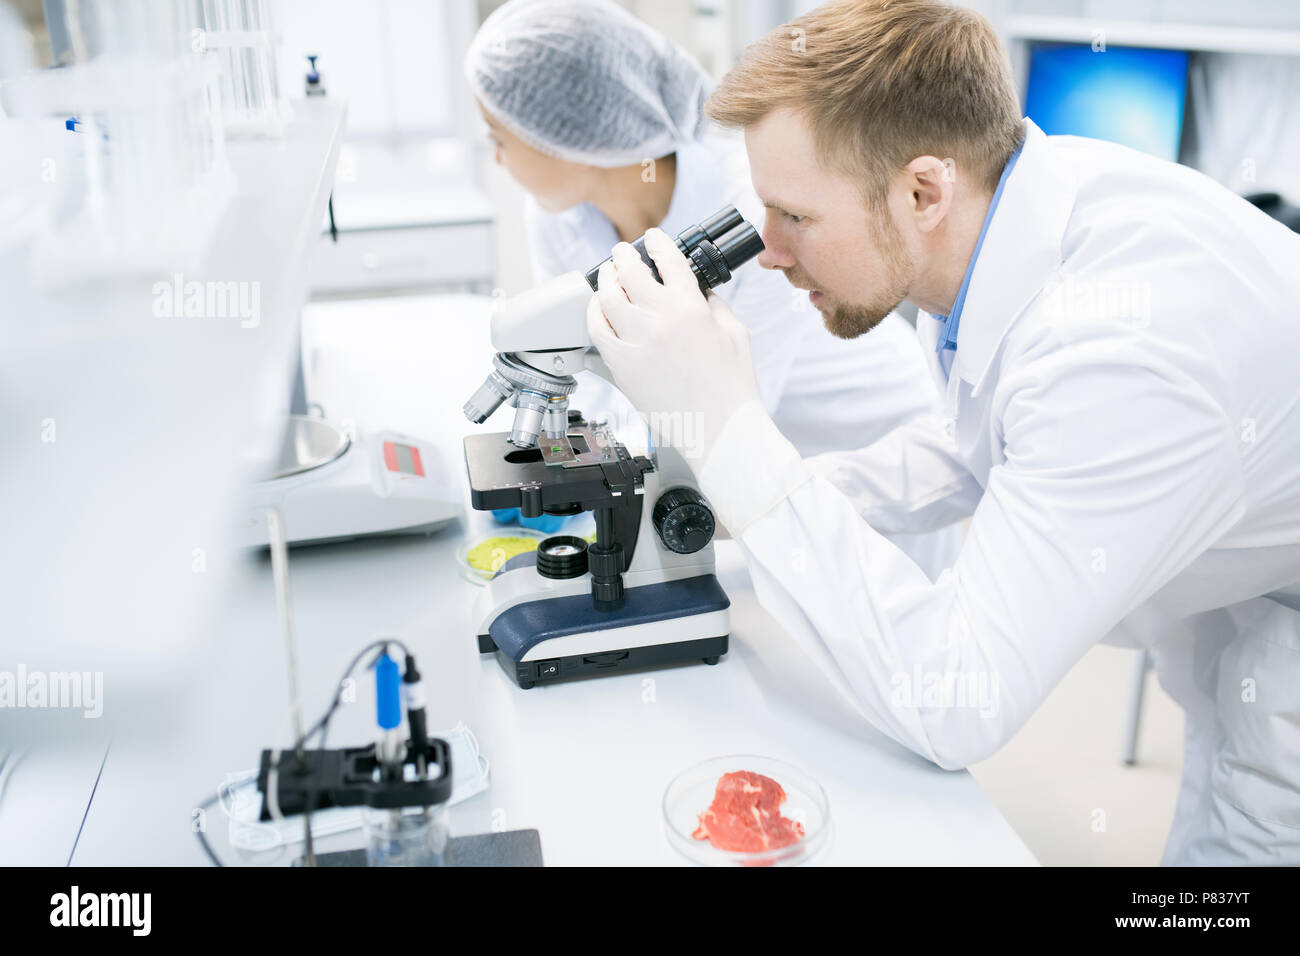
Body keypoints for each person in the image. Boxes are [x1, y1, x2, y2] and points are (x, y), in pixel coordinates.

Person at [587, 0, 1300, 865]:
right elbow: (976, 445)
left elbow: (956, 702)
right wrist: (744, 499)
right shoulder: (1007, 213)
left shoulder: (1120, 357)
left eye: (797, 216)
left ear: (923, 188)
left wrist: (736, 435)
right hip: (1248, 594)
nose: (768, 252)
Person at [464, 0, 962, 579]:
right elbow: (593, 369)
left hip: (870, 443)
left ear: (562, 132)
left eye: (499, 135)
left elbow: (734, 410)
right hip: (740, 458)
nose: (495, 156)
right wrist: (559, 472)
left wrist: (598, 486)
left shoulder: (752, 217)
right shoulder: (557, 215)